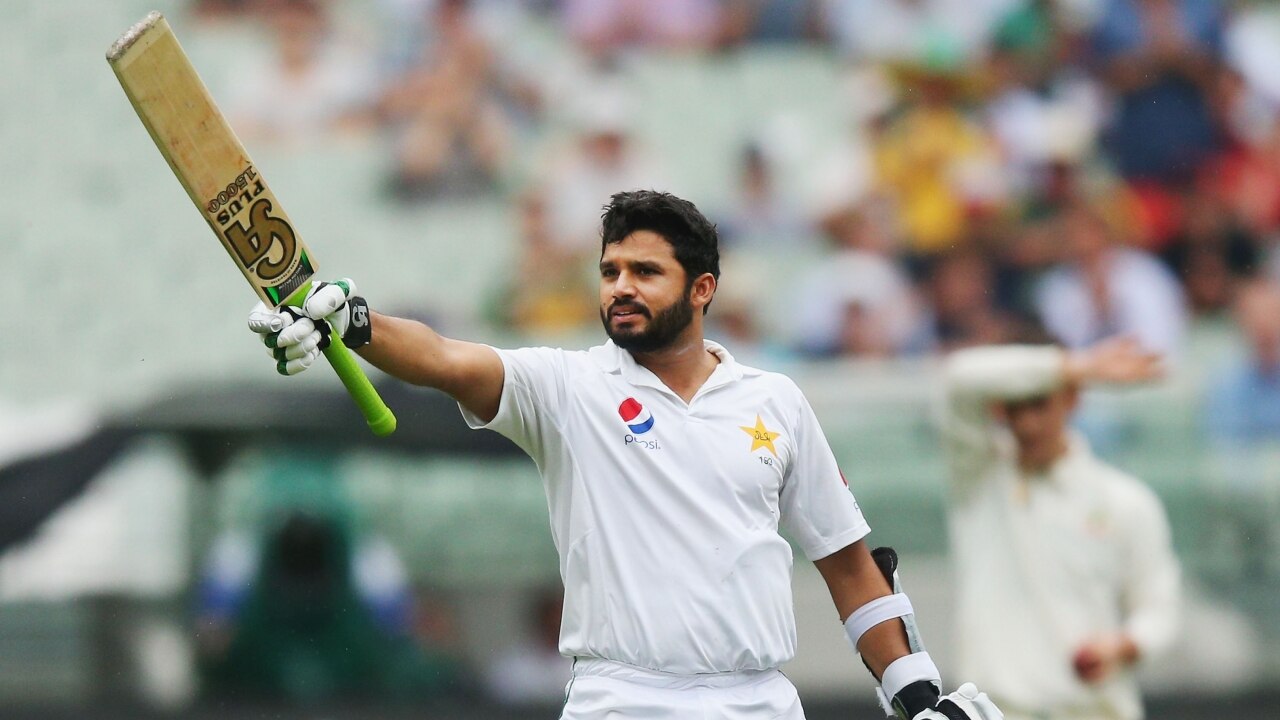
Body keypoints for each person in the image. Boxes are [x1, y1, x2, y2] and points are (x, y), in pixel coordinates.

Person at [246, 190, 1003, 719]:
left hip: (758, 699)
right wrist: (355, 320)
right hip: (624, 699)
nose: (620, 288)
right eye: (610, 272)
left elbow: (848, 564)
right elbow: (448, 358)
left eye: (645, 272)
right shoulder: (568, 387)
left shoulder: (775, 401)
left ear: (702, 288)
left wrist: (917, 694)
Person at [941, 338, 1182, 720]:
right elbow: (958, 377)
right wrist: (1078, 367)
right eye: (1014, 407)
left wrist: (1122, 645)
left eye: (1039, 403)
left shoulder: (1126, 501)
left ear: (1072, 400)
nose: (1026, 423)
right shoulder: (979, 479)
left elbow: (1160, 609)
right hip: (1000, 710)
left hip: (1095, 710)